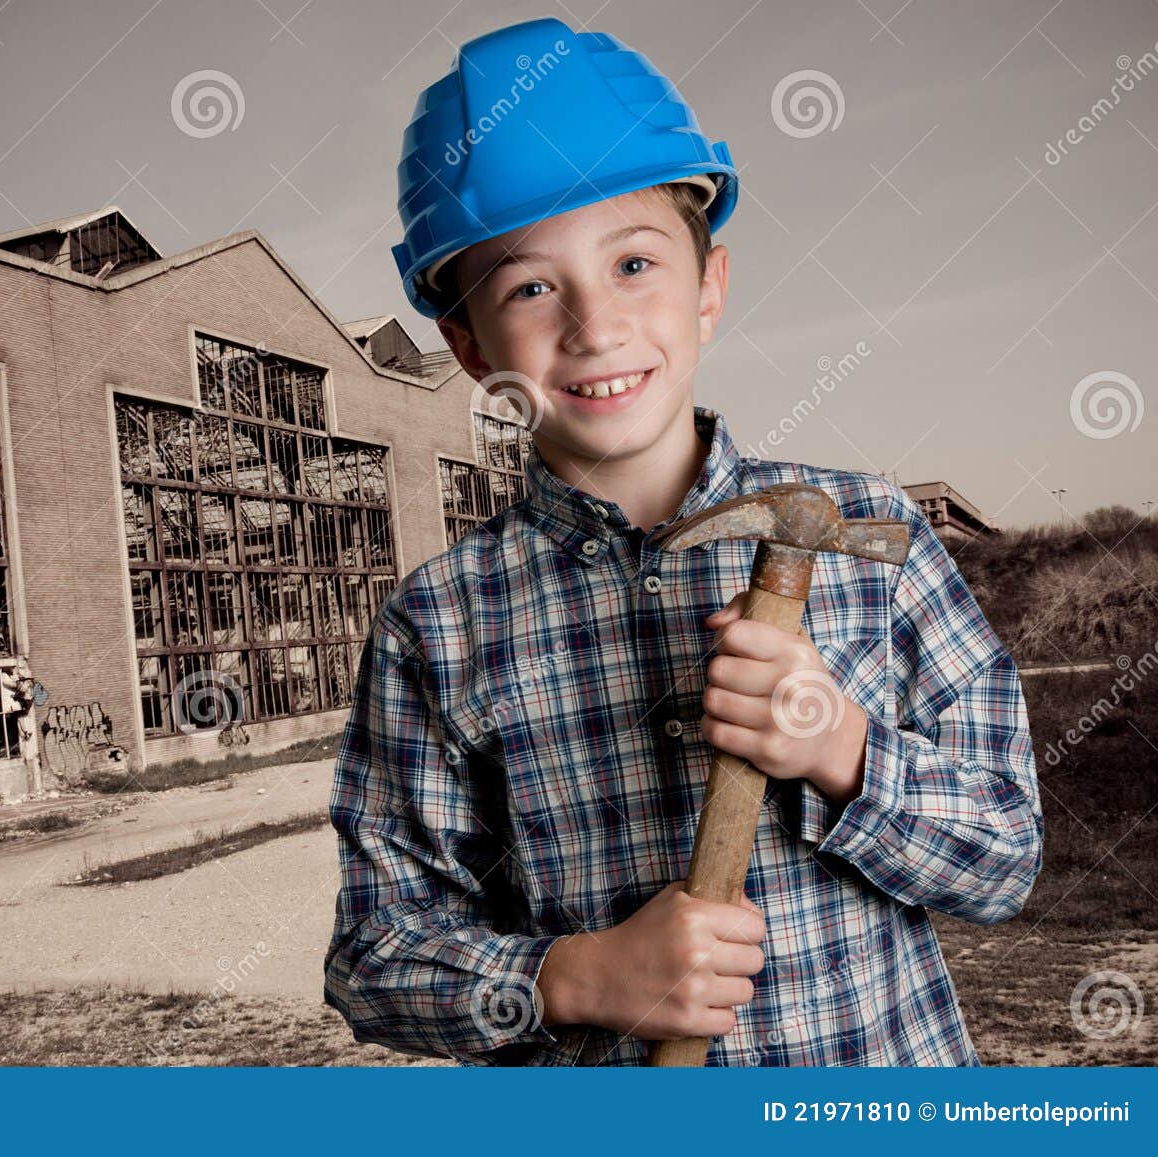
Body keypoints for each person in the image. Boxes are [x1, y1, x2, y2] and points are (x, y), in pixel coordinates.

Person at [322, 16, 1043, 1066]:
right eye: (530, 285)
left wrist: (840, 748)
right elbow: (372, 957)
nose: (594, 325)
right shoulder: (435, 622)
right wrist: (569, 975)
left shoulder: (869, 540)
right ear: (470, 345)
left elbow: (1005, 859)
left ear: (708, 288)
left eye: (633, 263)